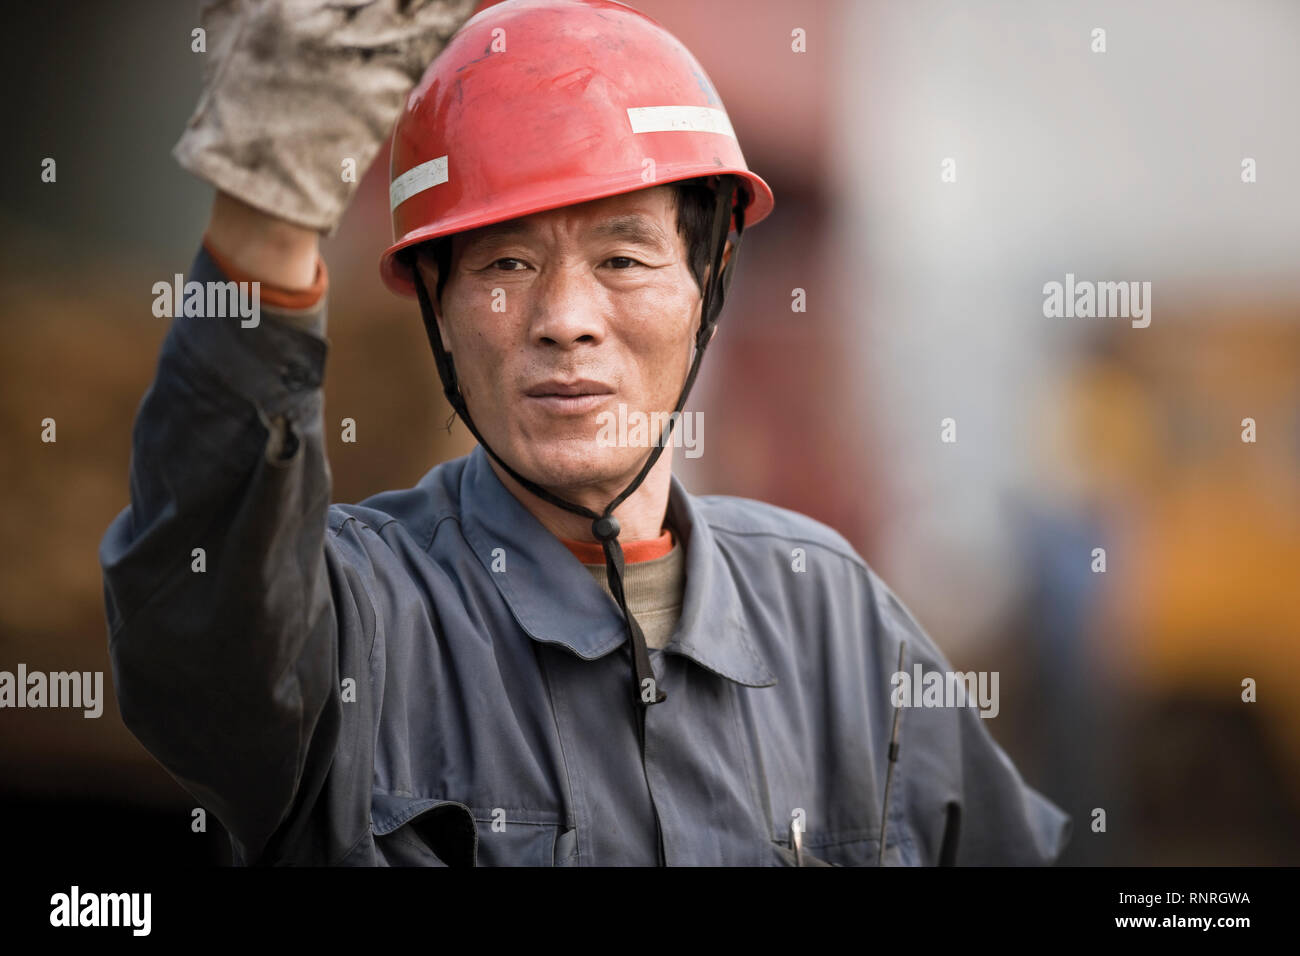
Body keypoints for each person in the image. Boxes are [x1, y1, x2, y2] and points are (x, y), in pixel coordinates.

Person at [100, 0, 1071, 866]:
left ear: (711, 277)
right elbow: (199, 634)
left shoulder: (837, 623)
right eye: (507, 263)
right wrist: (262, 223)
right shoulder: (360, 623)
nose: (565, 317)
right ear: (434, 305)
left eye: (622, 255)